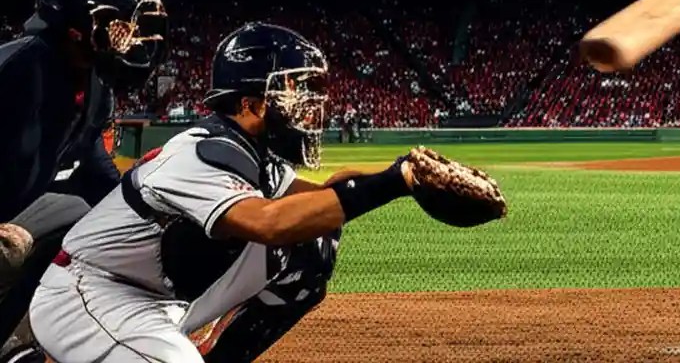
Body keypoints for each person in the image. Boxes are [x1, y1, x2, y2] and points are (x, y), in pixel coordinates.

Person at [22, 23, 418, 363]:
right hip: (91, 294)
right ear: (251, 104)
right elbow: (269, 223)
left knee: (313, 238)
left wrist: (410, 174)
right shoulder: (199, 154)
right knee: (287, 226)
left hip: (159, 299)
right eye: (292, 89)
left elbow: (319, 199)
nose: (307, 103)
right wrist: (391, 184)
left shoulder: (256, 153)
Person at [0, 0, 168, 355]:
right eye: (117, 28)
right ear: (75, 31)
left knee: (81, 221)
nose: (130, 41)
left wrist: (150, 211)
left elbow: (96, 175)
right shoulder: (16, 69)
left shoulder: (92, 86)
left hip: (11, 213)